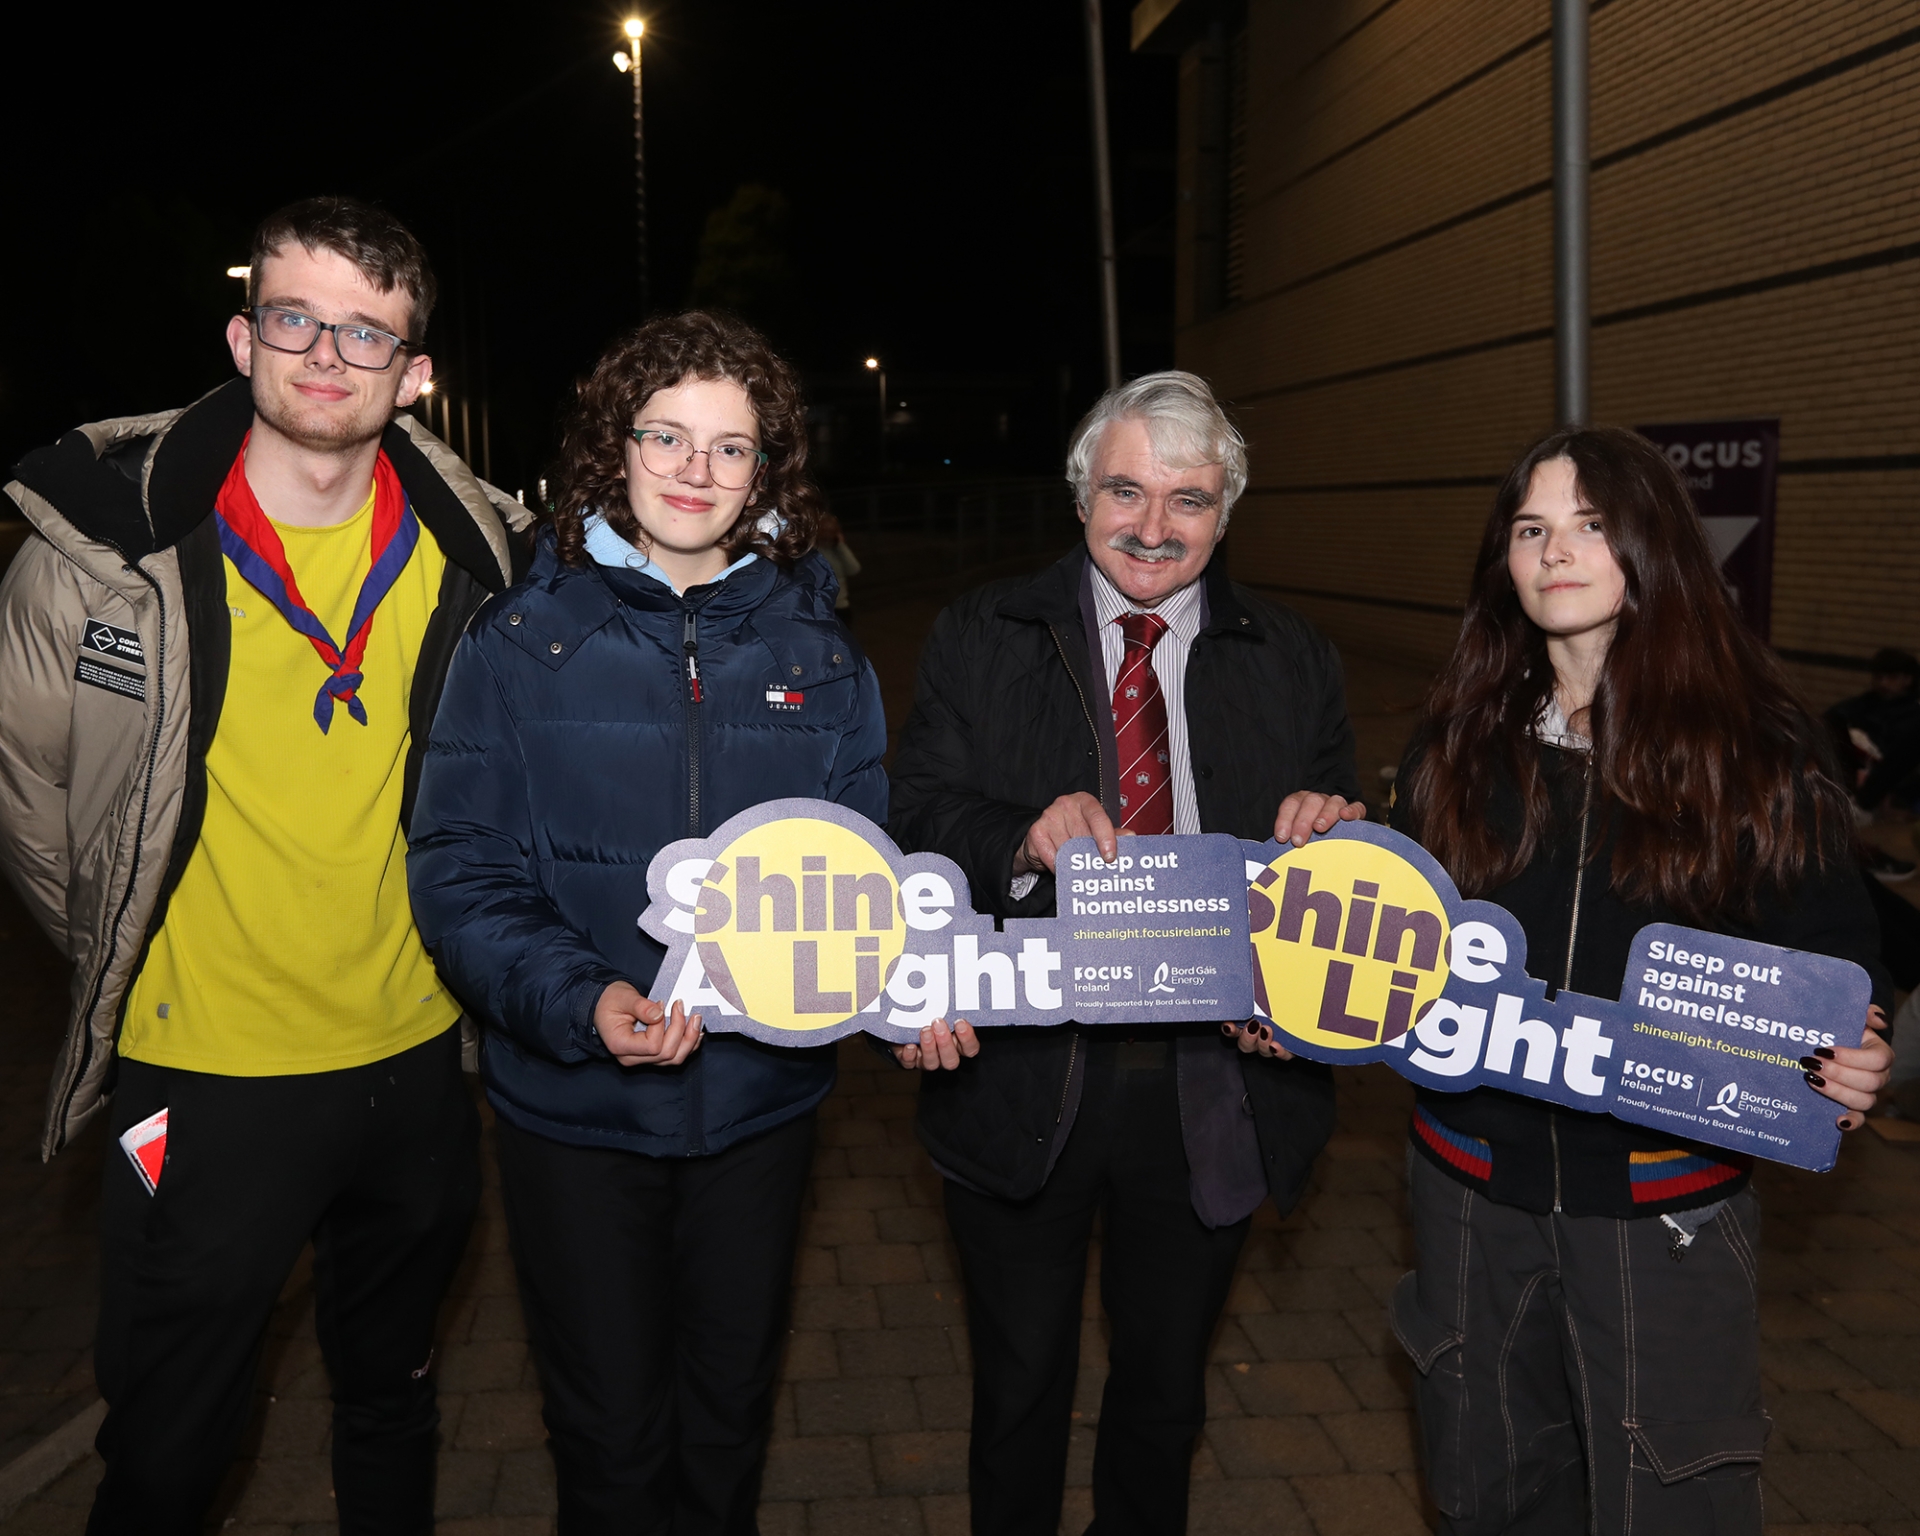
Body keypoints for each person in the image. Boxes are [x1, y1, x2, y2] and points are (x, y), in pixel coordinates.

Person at [0, 196, 529, 1531]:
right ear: (245, 334)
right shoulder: (100, 553)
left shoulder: (477, 559)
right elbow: (32, 798)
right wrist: (134, 954)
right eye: (297, 318)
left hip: (414, 1066)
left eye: (369, 332)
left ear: (414, 373)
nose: (328, 356)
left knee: (392, 1404)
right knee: (171, 1448)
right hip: (201, 1071)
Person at [406, 310, 887, 1533]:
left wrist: (915, 986)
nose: (693, 471)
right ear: (611, 450)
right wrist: (581, 1001)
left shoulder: (819, 655)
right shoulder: (519, 643)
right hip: (576, 1116)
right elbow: (459, 868)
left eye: (731, 449)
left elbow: (870, 878)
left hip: (761, 1111)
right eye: (665, 436)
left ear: (767, 471)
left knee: (726, 1428)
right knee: (610, 1443)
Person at [1386, 425, 1893, 1535]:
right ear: (1504, 561)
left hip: (1666, 1213)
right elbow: (1391, 950)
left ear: (1652, 546)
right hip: (1470, 1197)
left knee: (1674, 1503)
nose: (1557, 552)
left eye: (1592, 525)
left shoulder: (1756, 750)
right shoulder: (1452, 746)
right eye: (1532, 529)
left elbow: (1839, 959)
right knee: (1488, 1495)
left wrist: (1855, 1046)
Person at [887, 370, 1363, 1535]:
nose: (1153, 527)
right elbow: (916, 814)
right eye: (1127, 492)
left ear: (1226, 510)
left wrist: (1336, 838)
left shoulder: (1291, 654)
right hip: (1026, 1073)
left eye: (1188, 501)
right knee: (1018, 1391)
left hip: (1212, 1086)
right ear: (1080, 495)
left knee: (1163, 1397)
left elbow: (1350, 848)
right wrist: (1018, 836)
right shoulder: (982, 632)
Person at [816, 510, 862, 624]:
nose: (827, 535)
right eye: (824, 530)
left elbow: (854, 569)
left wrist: (841, 546)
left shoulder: (838, 550)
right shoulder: (812, 552)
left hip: (840, 606)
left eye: (831, 531)